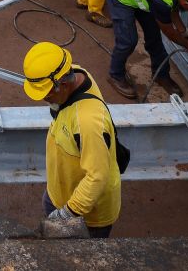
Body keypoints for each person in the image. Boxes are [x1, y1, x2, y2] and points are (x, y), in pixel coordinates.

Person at [22, 42, 121, 238]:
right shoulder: (76, 73)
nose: (44, 99)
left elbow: (97, 177)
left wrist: (68, 213)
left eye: (47, 94)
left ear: (64, 84)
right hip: (60, 191)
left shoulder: (88, 122)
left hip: (87, 216)